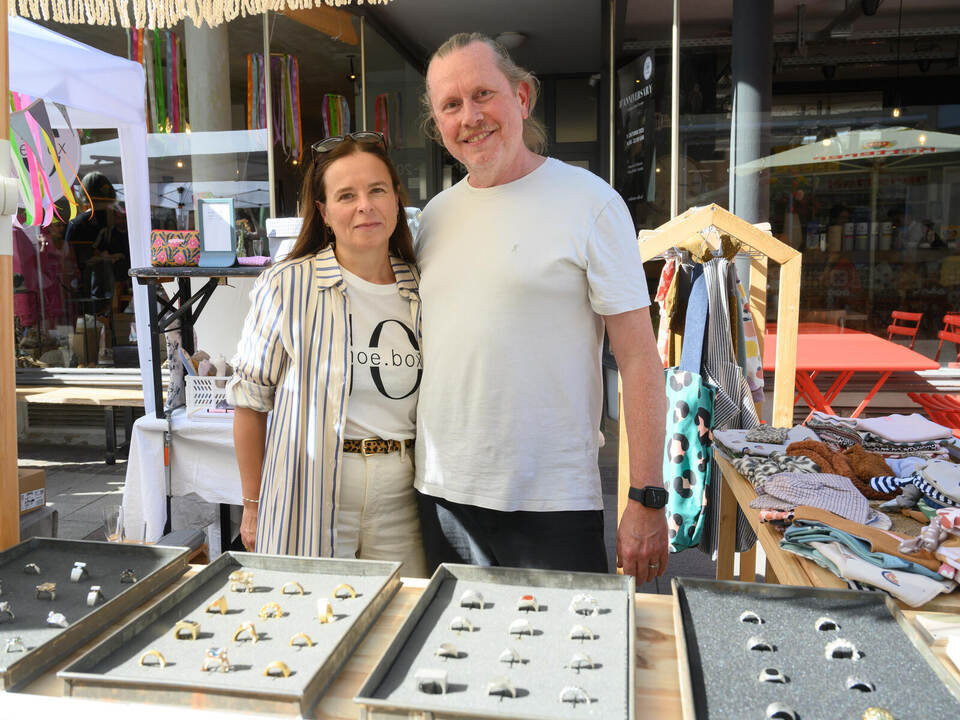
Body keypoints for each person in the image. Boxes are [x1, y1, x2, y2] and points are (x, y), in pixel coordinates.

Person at [414, 33, 668, 582]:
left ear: (522, 97)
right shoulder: (433, 218)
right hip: (443, 497)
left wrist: (647, 495)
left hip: (553, 501)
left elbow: (639, 360)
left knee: (570, 640)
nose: (470, 117)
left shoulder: (591, 202)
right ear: (438, 125)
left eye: (483, 94)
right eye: (451, 105)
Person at [227, 132, 426, 576]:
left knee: (401, 610)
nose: (365, 206)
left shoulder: (421, 286)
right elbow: (250, 402)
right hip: (308, 492)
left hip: (402, 494)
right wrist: (253, 504)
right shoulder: (286, 285)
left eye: (377, 190)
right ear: (323, 212)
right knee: (311, 611)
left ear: (396, 199)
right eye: (346, 195)